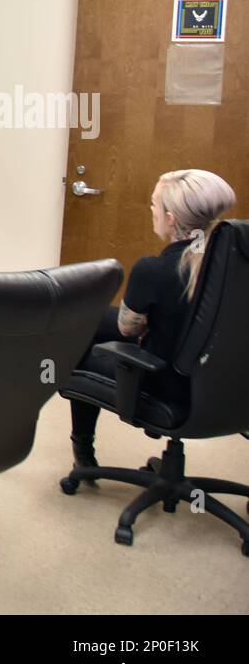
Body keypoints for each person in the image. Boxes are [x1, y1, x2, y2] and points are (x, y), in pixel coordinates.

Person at [69, 169, 236, 474]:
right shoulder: (232, 270)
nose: (151, 210)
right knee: (93, 319)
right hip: (228, 390)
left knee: (79, 337)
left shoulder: (153, 270)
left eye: (154, 204)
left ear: (171, 218)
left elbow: (128, 329)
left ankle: (83, 450)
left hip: (168, 388)